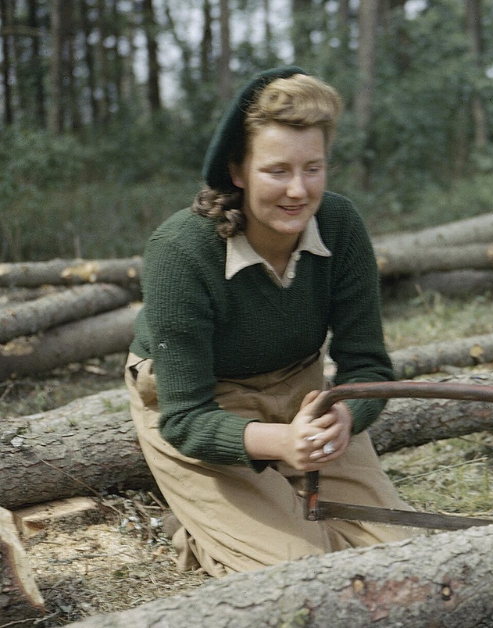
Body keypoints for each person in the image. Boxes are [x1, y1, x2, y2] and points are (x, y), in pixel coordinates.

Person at [125, 67, 414, 577]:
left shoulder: (341, 226)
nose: (298, 191)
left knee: (404, 554)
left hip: (302, 391)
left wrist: (344, 417)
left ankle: (267, 498)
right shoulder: (180, 252)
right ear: (237, 170)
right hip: (204, 403)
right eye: (276, 171)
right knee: (297, 572)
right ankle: (200, 526)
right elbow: (183, 416)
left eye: (313, 169)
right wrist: (284, 444)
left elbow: (366, 363)